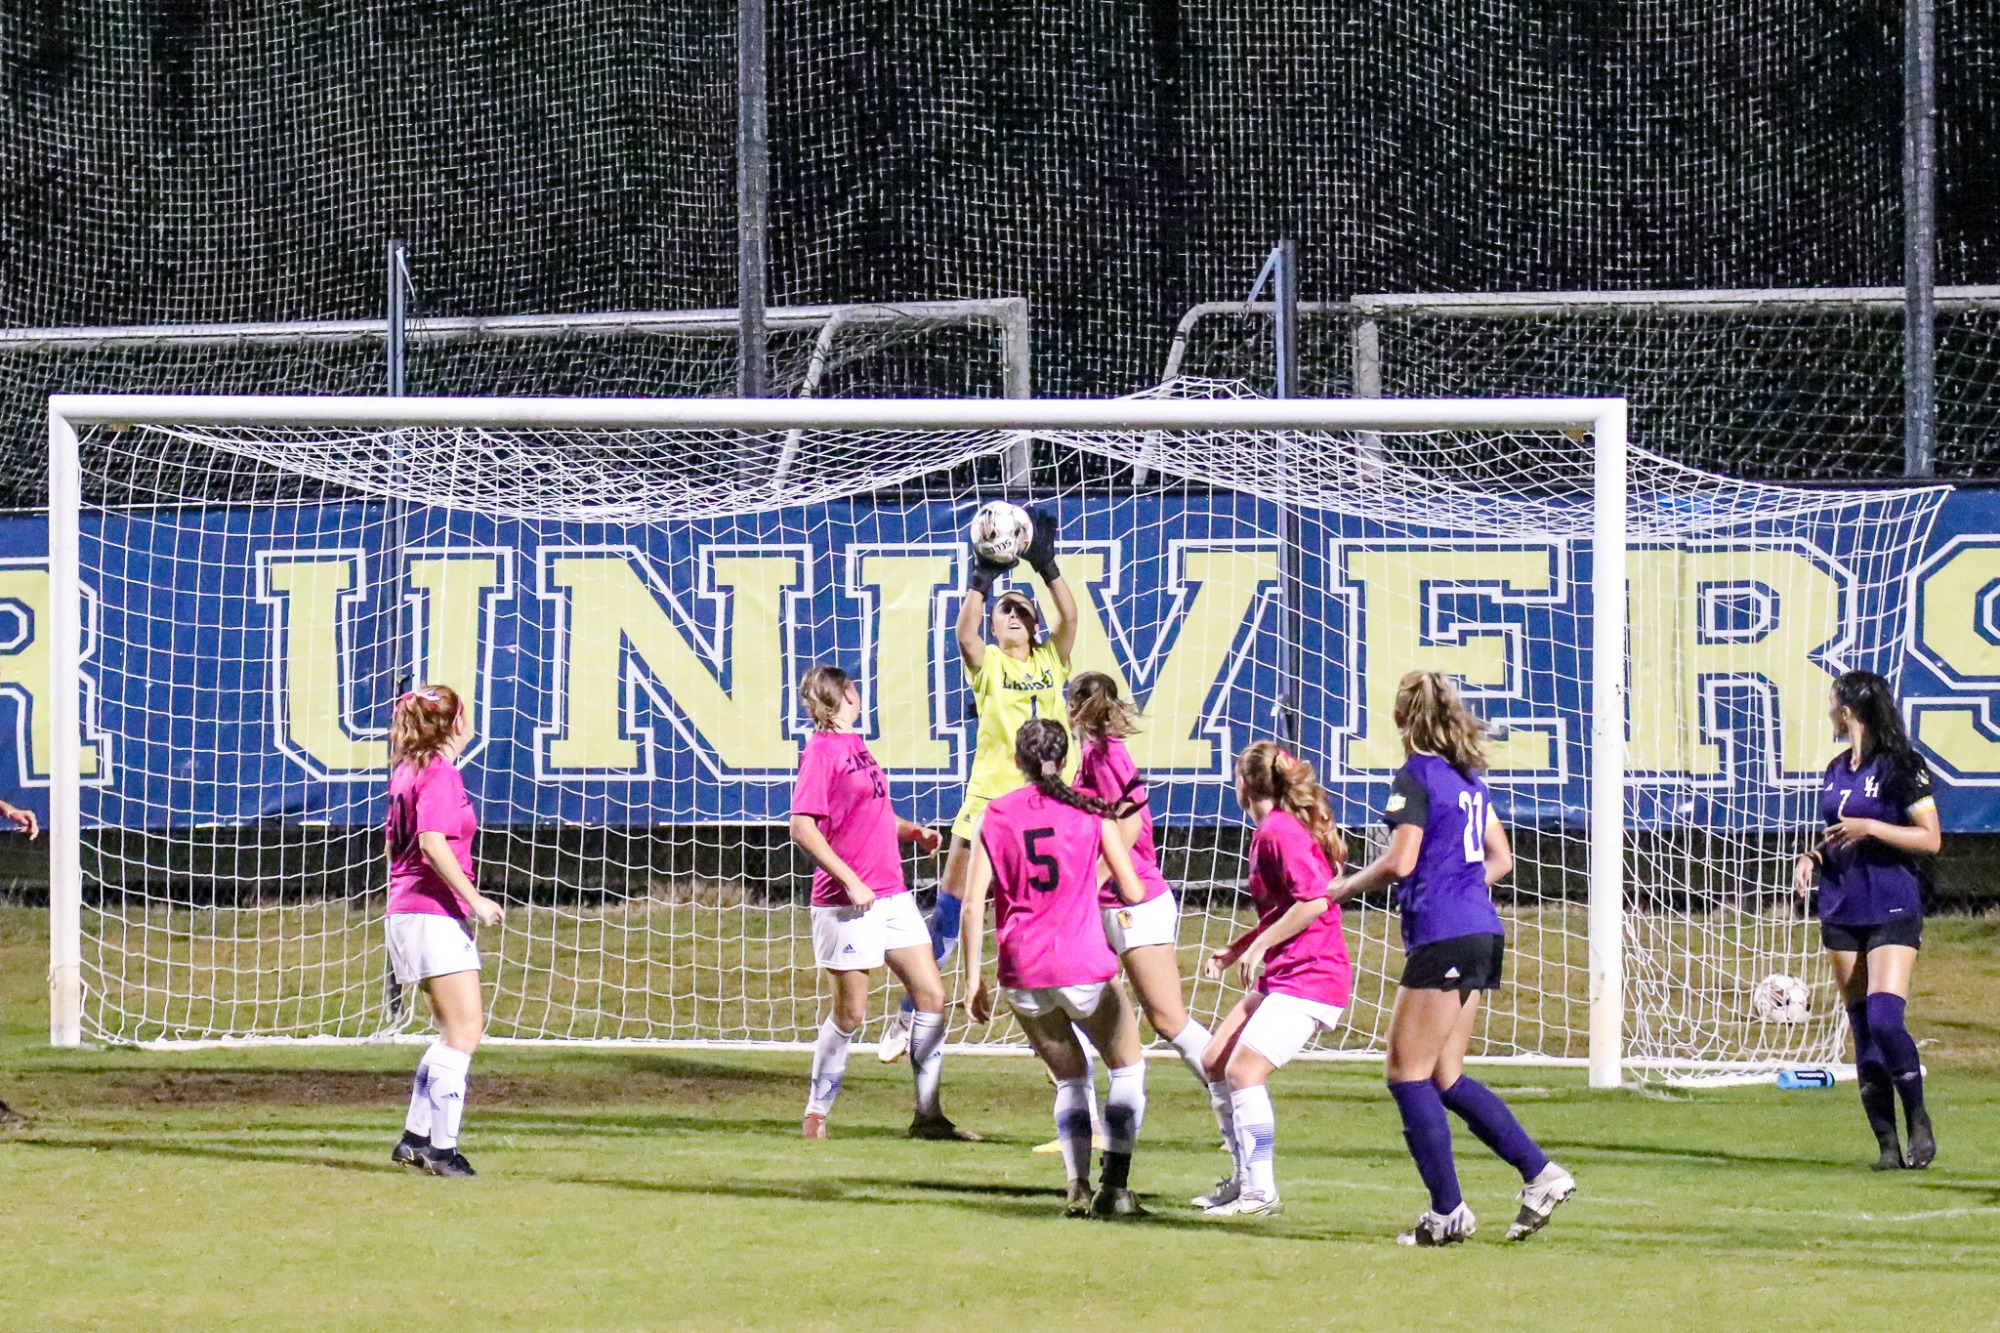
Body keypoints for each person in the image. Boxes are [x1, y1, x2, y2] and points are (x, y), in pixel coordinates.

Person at [1332, 671, 1574, 1245]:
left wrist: (1343, 888)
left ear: (1398, 719)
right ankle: (1540, 1174)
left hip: (1443, 934)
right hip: (1481, 931)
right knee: (1444, 1074)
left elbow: (1400, 859)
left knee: (1405, 1072)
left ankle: (1447, 1213)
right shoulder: (1468, 778)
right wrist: (1464, 890)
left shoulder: (1414, 775)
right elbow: (1501, 858)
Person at [880, 508, 1076, 1063]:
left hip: (1047, 802)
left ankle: (1063, 1041)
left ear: (1034, 624)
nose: (1011, 613)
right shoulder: (987, 663)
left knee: (1045, 913)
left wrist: (1045, 563)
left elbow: (1072, 615)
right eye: (1003, 610)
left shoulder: (1052, 660)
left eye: (1021, 609)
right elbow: (963, 631)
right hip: (990, 800)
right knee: (953, 905)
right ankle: (909, 1009)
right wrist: (981, 579)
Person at [960, 718, 1152, 1218]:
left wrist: (972, 978)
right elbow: (1132, 890)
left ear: (1018, 763)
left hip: (1022, 969)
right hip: (1083, 961)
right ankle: (1116, 1186)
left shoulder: (995, 815)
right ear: (1064, 761)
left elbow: (970, 903)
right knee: (1128, 1067)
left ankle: (1077, 1186)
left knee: (1071, 1079)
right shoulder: (1091, 813)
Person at [789, 664, 975, 1141]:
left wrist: (910, 831)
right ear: (843, 697)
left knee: (931, 996)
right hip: (848, 903)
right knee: (851, 1013)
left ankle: (928, 1116)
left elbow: (868, 810)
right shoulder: (821, 752)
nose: (858, 694)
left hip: (891, 894)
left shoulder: (854, 745)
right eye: (853, 689)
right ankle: (816, 1115)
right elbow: (803, 826)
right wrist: (849, 880)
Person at [1192, 742, 1352, 1218]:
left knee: (1243, 1072)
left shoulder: (1278, 831)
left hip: (1313, 973)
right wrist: (1241, 947)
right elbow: (1287, 907)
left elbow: (1316, 901)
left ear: (1242, 786)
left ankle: (1261, 1191)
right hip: (1289, 972)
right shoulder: (1276, 829)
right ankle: (1244, 1180)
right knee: (1215, 1060)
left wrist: (1259, 947)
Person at [1793, 670, 1941, 1170]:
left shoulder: (1902, 766)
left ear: (1848, 711)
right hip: (1840, 906)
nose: (1829, 712)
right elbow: (1839, 833)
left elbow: (1930, 838)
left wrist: (1871, 826)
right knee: (1860, 1027)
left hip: (1892, 904)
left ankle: (1918, 1117)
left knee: (1884, 1017)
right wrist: (1813, 855)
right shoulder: (1837, 768)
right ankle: (1886, 1145)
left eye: (1833, 704)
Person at [1069, 673, 1214, 1097]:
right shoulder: (1091, 753)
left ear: (1074, 706)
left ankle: (1236, 1096)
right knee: (1070, 1003)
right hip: (1108, 902)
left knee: (1168, 1020)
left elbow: (1129, 825)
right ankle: (1083, 1124)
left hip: (1136, 900)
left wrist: (1091, 882)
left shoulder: (1107, 755)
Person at [385, 685, 505, 1179]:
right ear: (457, 723)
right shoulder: (439, 771)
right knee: (465, 1030)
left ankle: (414, 1139)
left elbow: (400, 849)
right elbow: (433, 842)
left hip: (408, 911)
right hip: (431, 911)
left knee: (450, 1031)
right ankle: (443, 1150)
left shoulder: (408, 770)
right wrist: (473, 898)